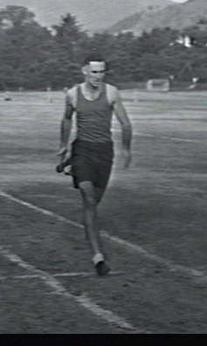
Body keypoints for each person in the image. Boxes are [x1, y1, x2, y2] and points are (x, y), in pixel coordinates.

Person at [58, 55, 133, 276]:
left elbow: (126, 124)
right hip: (83, 148)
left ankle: (74, 168)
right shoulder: (72, 94)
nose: (98, 76)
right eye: (94, 72)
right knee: (89, 199)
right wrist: (63, 145)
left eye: (101, 72)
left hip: (104, 152)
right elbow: (66, 119)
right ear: (84, 71)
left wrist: (126, 149)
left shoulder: (111, 93)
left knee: (95, 201)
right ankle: (98, 256)